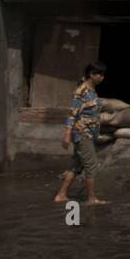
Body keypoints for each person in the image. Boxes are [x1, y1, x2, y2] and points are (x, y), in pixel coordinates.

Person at [55, 61, 109, 205]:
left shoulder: (92, 91)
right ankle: (91, 198)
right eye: (100, 75)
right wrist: (67, 134)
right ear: (92, 75)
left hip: (89, 134)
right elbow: (73, 113)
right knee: (91, 165)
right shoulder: (82, 90)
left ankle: (61, 194)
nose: (102, 78)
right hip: (82, 133)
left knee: (76, 165)